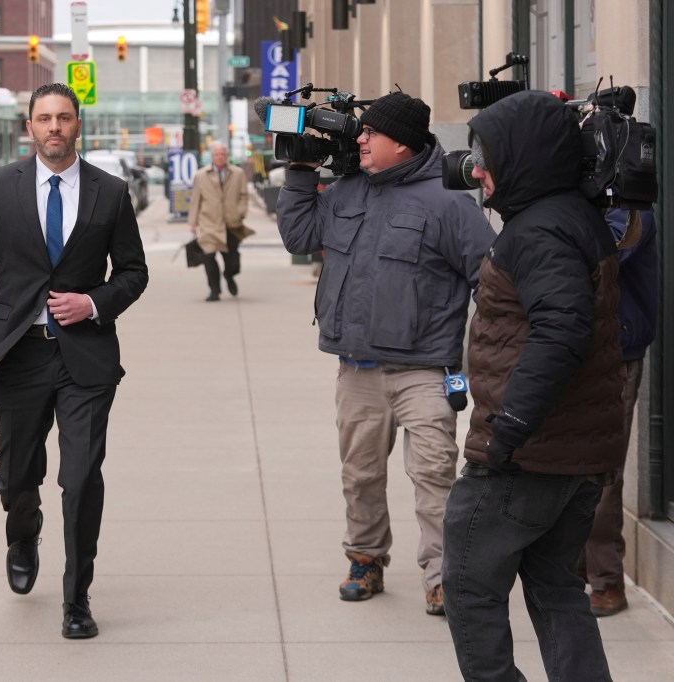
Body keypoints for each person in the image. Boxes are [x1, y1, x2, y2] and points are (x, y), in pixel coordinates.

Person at [276, 91, 496, 615]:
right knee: (361, 475)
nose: (361, 139)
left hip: (425, 371)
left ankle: (442, 577)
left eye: (372, 133)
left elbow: (492, 283)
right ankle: (365, 558)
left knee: (434, 476)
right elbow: (299, 236)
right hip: (357, 369)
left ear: (403, 143)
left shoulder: (448, 203)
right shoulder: (346, 192)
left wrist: (481, 357)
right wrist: (300, 173)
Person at [0, 83, 148, 640]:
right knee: (17, 475)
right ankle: (23, 528)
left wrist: (94, 303)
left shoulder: (111, 192)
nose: (54, 127)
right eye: (44, 118)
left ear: (78, 125)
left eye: (63, 117)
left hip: (86, 357)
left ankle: (77, 599)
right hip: (18, 354)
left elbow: (134, 271)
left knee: (81, 478)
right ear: (30, 127)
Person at [441, 90, 625, 681]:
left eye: (487, 157)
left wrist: (509, 428)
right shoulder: (568, 218)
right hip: (570, 451)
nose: (477, 171)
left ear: (523, 157)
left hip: (529, 454)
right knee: (554, 585)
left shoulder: (540, 231)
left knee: (467, 585)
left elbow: (563, 330)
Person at [581, 208, 658, 617]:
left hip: (616, 353)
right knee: (565, 466)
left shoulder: (630, 206)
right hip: (568, 349)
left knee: (603, 473)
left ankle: (606, 579)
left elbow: (599, 257)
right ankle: (575, 567)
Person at [188, 141, 253, 301]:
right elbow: (196, 200)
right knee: (209, 257)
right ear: (212, 156)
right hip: (209, 223)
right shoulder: (201, 175)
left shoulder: (238, 173)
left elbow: (244, 196)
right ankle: (214, 290)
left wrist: (240, 212)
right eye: (217, 154)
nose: (220, 157)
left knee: (232, 261)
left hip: (231, 224)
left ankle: (229, 275)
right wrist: (193, 222)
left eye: (223, 154)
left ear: (227, 156)